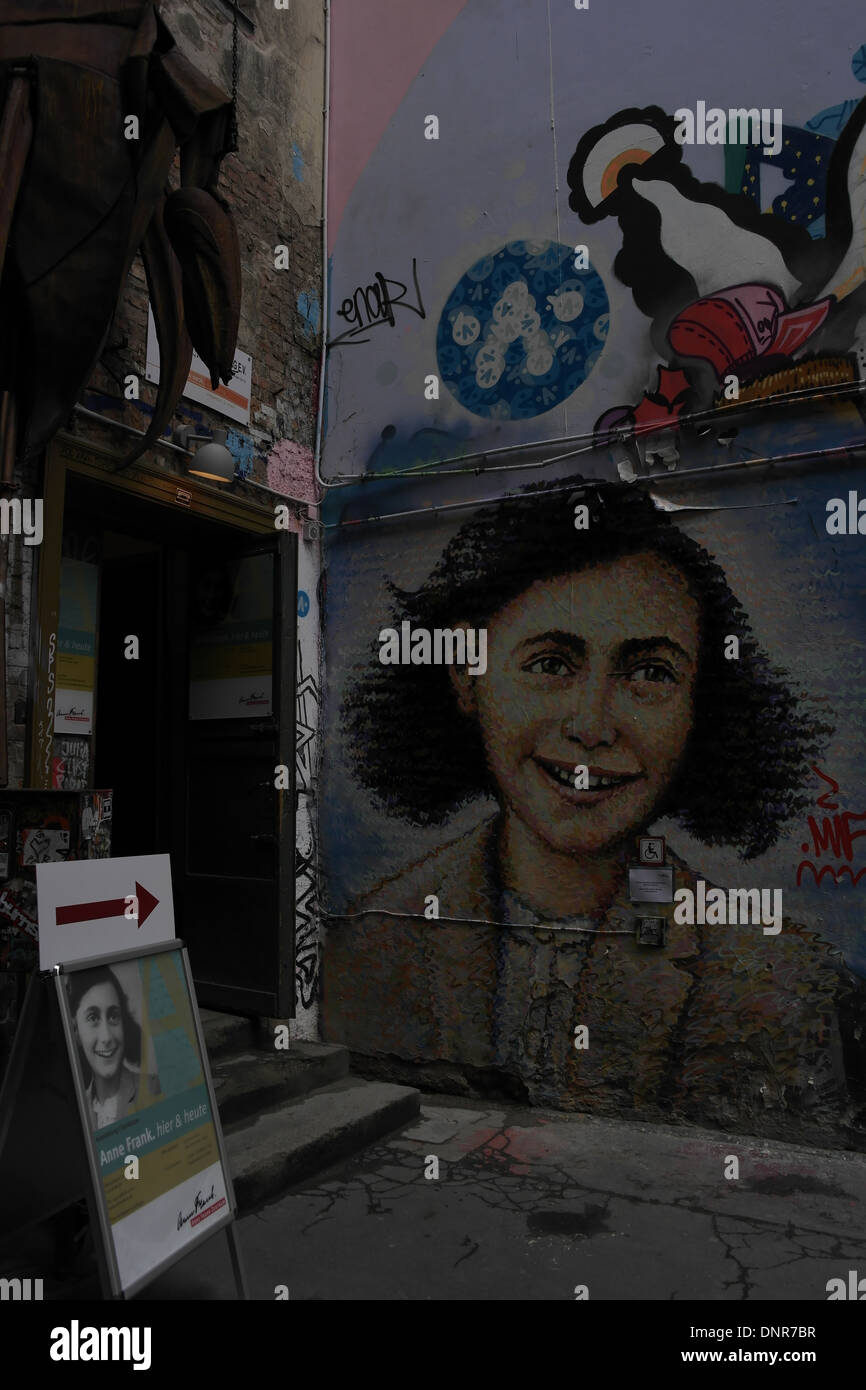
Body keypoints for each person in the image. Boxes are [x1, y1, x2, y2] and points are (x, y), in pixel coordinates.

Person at [326, 480, 866, 1143]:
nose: (592, 724)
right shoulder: (366, 942)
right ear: (467, 675)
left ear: (700, 709)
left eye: (651, 674)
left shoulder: (787, 987)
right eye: (551, 663)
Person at [67, 966, 161, 1132]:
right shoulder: (77, 1110)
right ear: (75, 1030)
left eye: (113, 1016)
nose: (107, 1037)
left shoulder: (154, 1088)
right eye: (93, 1018)